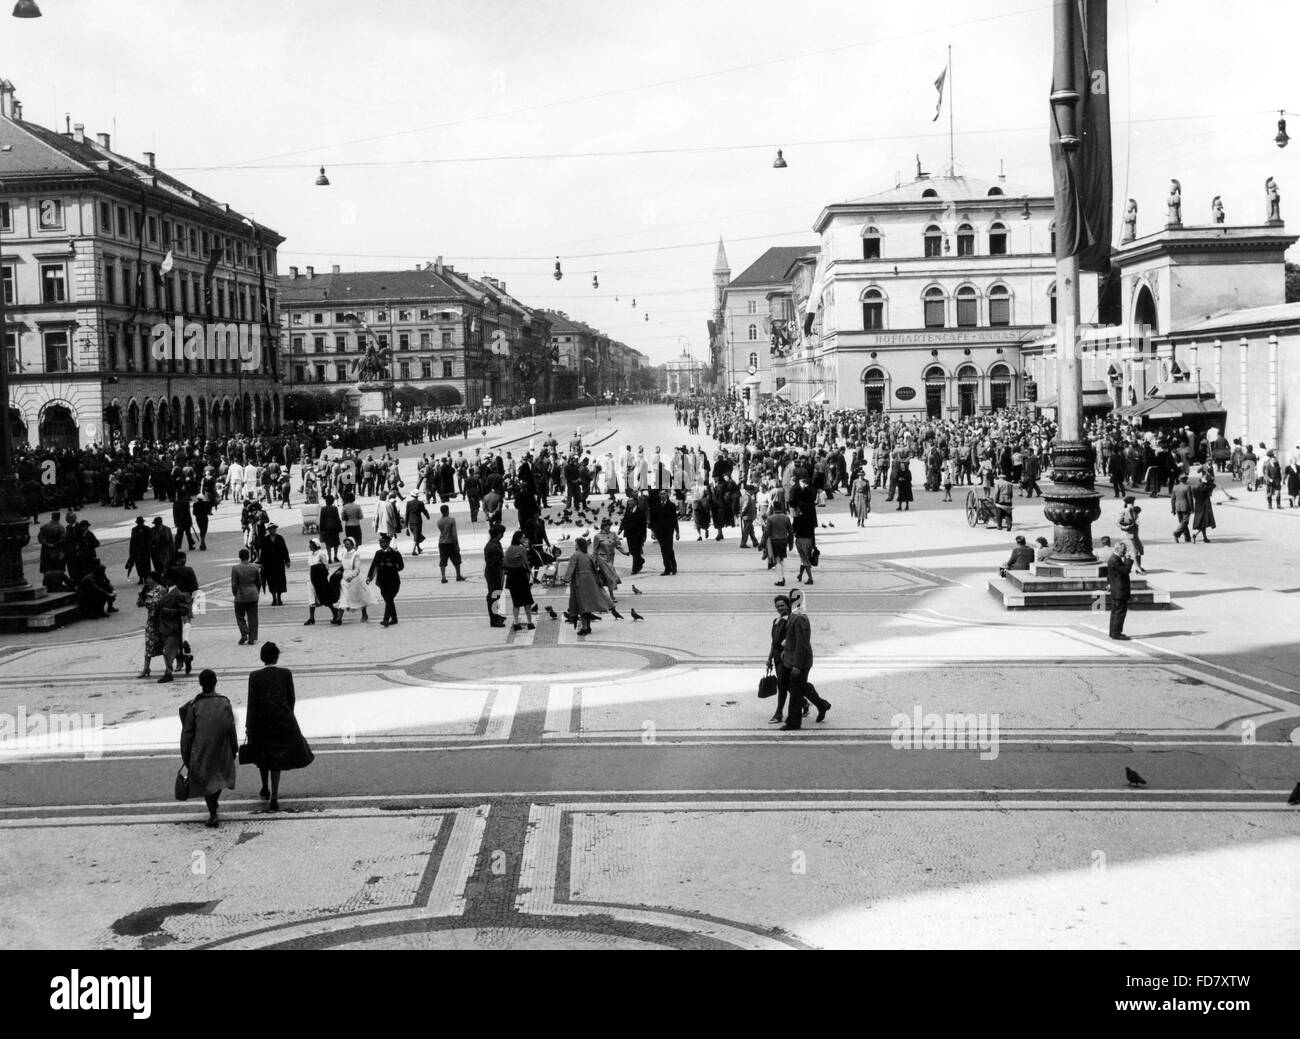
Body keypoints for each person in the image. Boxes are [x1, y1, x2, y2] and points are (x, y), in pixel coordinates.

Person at [245, 641, 314, 813]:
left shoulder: (254, 676)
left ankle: (264, 787)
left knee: (263, 755)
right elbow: (291, 698)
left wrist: (249, 725)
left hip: (261, 722)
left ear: (262, 658)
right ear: (276, 657)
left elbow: (251, 703)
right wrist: (287, 715)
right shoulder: (285, 674)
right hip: (281, 720)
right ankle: (274, 795)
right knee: (276, 759)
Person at [180, 669, 238, 828]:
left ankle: (212, 812)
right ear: (216, 682)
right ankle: (214, 807)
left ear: (200, 684)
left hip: (202, 749)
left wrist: (185, 754)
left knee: (206, 781)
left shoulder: (195, 705)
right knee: (218, 779)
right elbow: (230, 727)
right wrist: (234, 747)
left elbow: (188, 732)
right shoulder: (224, 702)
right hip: (221, 749)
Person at [780, 589, 829, 729]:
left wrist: (797, 665)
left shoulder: (800, 617)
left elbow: (802, 643)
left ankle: (793, 722)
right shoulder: (794, 614)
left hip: (799, 661)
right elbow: (792, 638)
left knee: (796, 692)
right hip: (790, 658)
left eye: (792, 599)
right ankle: (822, 704)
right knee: (794, 686)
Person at [564, 537, 609, 636]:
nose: (575, 545)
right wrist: (598, 580)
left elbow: (571, 568)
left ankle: (585, 627)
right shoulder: (588, 555)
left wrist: (566, 578)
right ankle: (588, 626)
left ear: (578, 545)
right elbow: (594, 569)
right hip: (590, 582)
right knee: (587, 605)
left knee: (581, 606)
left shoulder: (575, 555)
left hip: (580, 582)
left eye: (575, 544)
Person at [155, 575, 192, 683]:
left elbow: (184, 610)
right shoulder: (165, 591)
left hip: (173, 627)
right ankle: (187, 659)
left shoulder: (178, 594)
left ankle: (168, 673)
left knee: (167, 651)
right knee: (173, 651)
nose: (165, 580)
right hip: (164, 626)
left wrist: (170, 611)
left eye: (167, 578)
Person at [765, 595, 793, 724]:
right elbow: (773, 642)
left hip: (786, 658)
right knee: (787, 684)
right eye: (777, 606)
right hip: (777, 658)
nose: (780, 608)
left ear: (788, 605)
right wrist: (769, 659)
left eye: (782, 605)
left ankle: (778, 713)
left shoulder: (791, 621)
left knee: (782, 685)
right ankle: (806, 703)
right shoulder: (775, 621)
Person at [367, 531, 405, 626]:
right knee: (389, 600)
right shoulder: (378, 553)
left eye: (384, 542)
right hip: (382, 581)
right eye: (381, 542)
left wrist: (392, 567)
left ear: (388, 543)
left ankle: (386, 620)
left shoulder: (395, 553)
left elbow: (401, 566)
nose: (382, 544)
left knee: (388, 599)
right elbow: (374, 566)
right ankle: (394, 619)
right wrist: (369, 578)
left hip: (393, 581)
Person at [305, 538, 343, 626]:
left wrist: (321, 575)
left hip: (319, 580)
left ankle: (334, 611)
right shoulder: (310, 555)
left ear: (315, 545)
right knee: (311, 598)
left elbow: (326, 566)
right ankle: (311, 618)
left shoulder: (321, 554)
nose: (309, 546)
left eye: (311, 544)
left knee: (324, 597)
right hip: (310, 579)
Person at [503, 530, 537, 631]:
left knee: (516, 601)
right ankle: (529, 622)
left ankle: (516, 623)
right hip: (521, 576)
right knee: (527, 601)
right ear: (518, 539)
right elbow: (526, 564)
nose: (524, 539)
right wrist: (530, 576)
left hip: (511, 577)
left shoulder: (508, 549)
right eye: (523, 537)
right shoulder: (522, 549)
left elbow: (504, 563)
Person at [230, 548, 263, 645]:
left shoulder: (235, 568)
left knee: (240, 616)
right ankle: (252, 636)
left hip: (240, 595)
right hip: (253, 593)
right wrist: (257, 591)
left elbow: (234, 584)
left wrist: (235, 594)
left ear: (239, 557)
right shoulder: (254, 567)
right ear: (248, 556)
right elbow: (259, 582)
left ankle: (244, 632)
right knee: (253, 616)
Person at [339, 536, 372, 622]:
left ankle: (364, 614)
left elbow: (357, 569)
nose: (346, 546)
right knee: (343, 596)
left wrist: (351, 577)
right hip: (344, 577)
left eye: (348, 544)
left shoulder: (356, 554)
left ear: (352, 544)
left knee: (359, 597)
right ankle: (338, 618)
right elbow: (342, 566)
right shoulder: (343, 554)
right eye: (345, 544)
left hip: (354, 578)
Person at [1107, 541, 1133, 641]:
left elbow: (1109, 575)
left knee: (1115, 612)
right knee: (1119, 613)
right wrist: (1128, 560)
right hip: (1120, 591)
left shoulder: (1113, 558)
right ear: (1117, 549)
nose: (1125, 551)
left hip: (1116, 590)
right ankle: (1116, 633)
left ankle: (1113, 632)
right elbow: (1125, 571)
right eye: (1124, 549)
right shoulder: (1115, 560)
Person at [649, 488, 679, 576]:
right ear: (659, 495)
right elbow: (653, 520)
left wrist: (677, 531)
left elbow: (674, 519)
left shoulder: (672, 505)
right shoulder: (656, 506)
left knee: (669, 549)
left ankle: (674, 566)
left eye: (664, 493)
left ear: (667, 494)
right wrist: (652, 531)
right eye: (661, 493)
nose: (662, 495)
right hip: (659, 531)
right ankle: (667, 568)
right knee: (663, 550)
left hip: (669, 531)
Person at [261, 521, 291, 606]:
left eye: (274, 528)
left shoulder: (280, 538)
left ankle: (279, 597)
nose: (273, 530)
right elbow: (263, 553)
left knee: (280, 580)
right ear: (269, 530)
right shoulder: (265, 540)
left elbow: (285, 550)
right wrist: (262, 563)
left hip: (279, 564)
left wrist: (287, 560)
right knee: (271, 581)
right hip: (269, 565)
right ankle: (274, 598)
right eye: (271, 528)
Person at [764, 500, 793, 586]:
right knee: (782, 558)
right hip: (784, 540)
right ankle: (783, 577)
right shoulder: (786, 518)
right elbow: (791, 531)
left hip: (774, 541)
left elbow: (767, 532)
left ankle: (780, 580)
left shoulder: (770, 518)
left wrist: (763, 543)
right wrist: (791, 543)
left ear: (773, 508)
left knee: (777, 559)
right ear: (781, 507)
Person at [618, 491, 648, 575]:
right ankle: (641, 561)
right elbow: (624, 520)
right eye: (628, 502)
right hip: (629, 534)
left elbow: (643, 525)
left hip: (637, 535)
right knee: (632, 551)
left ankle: (635, 569)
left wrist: (643, 536)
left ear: (635, 502)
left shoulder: (640, 511)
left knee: (636, 551)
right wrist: (620, 529)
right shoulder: (628, 510)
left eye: (630, 502)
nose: (628, 503)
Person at [484, 523, 507, 628]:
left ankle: (496, 615)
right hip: (493, 573)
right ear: (498, 534)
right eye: (502, 533)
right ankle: (494, 620)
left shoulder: (496, 543)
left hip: (497, 572)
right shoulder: (492, 547)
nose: (502, 535)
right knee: (493, 595)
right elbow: (493, 563)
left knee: (497, 594)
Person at [436, 504, 465, 583]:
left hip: (441, 542)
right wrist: (457, 545)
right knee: (456, 559)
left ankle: (443, 577)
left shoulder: (439, 521)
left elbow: (442, 531)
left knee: (443, 560)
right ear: (448, 511)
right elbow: (454, 534)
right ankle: (458, 576)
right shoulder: (452, 520)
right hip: (451, 542)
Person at [1117, 495, 1145, 573]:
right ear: (1129, 503)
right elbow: (1117, 523)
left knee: (1139, 550)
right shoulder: (1124, 512)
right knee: (1134, 551)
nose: (1133, 504)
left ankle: (1138, 567)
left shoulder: (1133, 511)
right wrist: (1126, 527)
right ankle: (1137, 569)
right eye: (1132, 503)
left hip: (1135, 534)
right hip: (1127, 535)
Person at [1190, 467, 1216, 543]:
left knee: (1201, 522)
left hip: (1198, 507)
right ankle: (1198, 535)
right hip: (1205, 507)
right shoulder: (1206, 488)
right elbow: (1213, 485)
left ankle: (1204, 537)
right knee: (1204, 522)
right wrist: (1210, 480)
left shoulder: (1194, 489)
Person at [126, 516, 152, 586]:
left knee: (146, 564)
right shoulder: (134, 529)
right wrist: (131, 551)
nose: (140, 524)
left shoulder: (147, 529)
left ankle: (146, 578)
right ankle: (141, 577)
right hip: (137, 550)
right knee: (139, 565)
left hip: (145, 550)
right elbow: (132, 540)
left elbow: (150, 539)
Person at [319, 493, 343, 563]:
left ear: (326, 501)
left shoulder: (323, 509)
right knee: (336, 543)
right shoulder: (334, 508)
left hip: (326, 529)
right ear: (332, 501)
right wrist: (340, 528)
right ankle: (335, 556)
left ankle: (329, 558)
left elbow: (321, 520)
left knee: (328, 543)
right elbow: (337, 518)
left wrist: (321, 530)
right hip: (335, 528)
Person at [1170, 474, 1193, 542]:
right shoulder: (1187, 487)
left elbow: (1173, 499)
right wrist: (1192, 508)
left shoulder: (1175, 487)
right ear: (1185, 480)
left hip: (1178, 507)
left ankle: (1187, 537)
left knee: (1181, 522)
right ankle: (1176, 533)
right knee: (1185, 522)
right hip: (1186, 507)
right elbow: (1190, 499)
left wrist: (1173, 509)